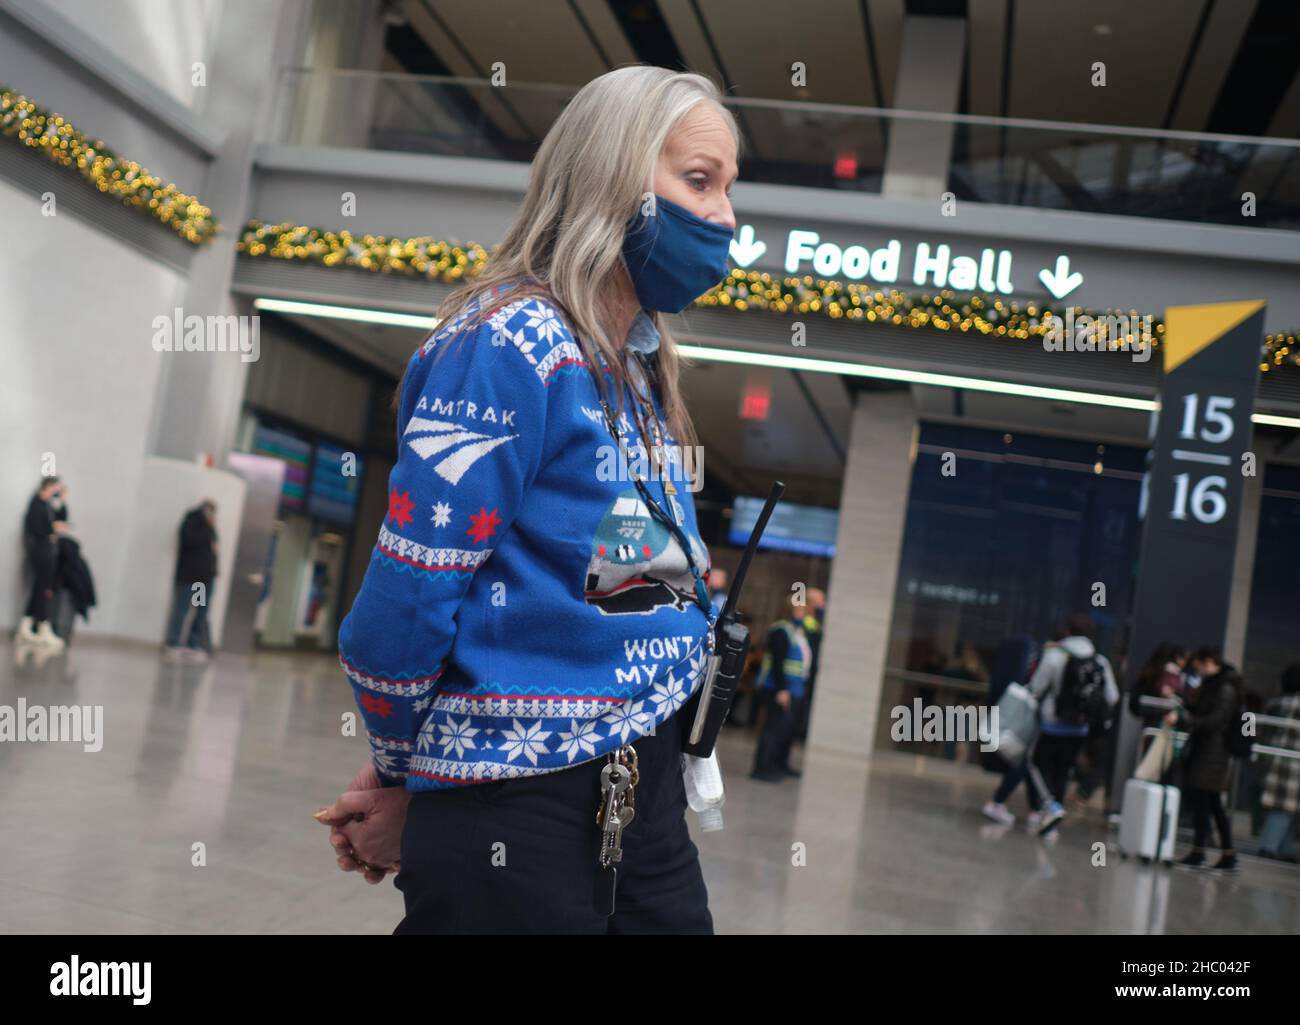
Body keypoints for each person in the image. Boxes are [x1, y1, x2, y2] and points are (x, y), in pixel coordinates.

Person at [314, 66, 738, 934]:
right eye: (700, 181)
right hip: (521, 810)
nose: (725, 217)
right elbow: (403, 605)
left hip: (641, 799)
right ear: (613, 177)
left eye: (728, 189)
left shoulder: (632, 365)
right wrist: (405, 776)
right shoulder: (508, 340)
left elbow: (621, 580)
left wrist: (689, 604)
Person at [1025, 614, 1119, 835]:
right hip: (1080, 727)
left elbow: (1036, 687)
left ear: (1068, 631)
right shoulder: (1100, 661)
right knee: (1063, 770)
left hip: (1052, 723)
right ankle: (1052, 819)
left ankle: (1051, 805)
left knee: (1036, 763)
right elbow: (1112, 697)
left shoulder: (1055, 655)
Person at [1171, 647, 1243, 871]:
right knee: (1210, 802)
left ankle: (1201, 852)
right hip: (1207, 750)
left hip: (1213, 753)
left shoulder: (1226, 686)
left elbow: (1215, 720)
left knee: (1207, 802)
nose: (1199, 672)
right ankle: (1224, 853)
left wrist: (1187, 720)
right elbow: (1207, 712)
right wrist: (1186, 703)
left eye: (1199, 667)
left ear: (1208, 662)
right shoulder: (1218, 684)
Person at [750, 594, 812, 782]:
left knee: (783, 731)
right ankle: (762, 768)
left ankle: (776, 765)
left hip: (794, 688)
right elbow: (777, 662)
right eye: (800, 609)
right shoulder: (780, 630)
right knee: (772, 730)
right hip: (778, 688)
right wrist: (782, 690)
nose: (804, 613)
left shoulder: (797, 631)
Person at [17, 477, 67, 650]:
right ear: (47, 487)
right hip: (40, 552)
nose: (55, 492)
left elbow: (61, 517)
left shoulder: (47, 505)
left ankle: (28, 624)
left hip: (47, 551)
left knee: (41, 587)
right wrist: (52, 530)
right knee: (43, 589)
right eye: (55, 489)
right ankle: (43, 627)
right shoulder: (36, 504)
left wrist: (62, 500)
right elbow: (36, 528)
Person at [164, 501, 218, 661]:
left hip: (202, 579)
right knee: (182, 608)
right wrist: (207, 529)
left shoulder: (210, 528)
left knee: (199, 610)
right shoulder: (193, 521)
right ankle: (173, 642)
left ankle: (192, 642)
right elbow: (189, 540)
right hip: (190, 577)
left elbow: (213, 550)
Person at [1258, 664, 1300, 862]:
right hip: (1294, 762)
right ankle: (1270, 846)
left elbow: (1258, 726)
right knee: (1285, 808)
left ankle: (1283, 846)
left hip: (1274, 757)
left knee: (1281, 807)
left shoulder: (1277, 703)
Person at [794, 587, 825, 740]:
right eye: (821, 602)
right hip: (801, 677)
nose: (823, 606)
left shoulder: (816, 624)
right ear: (812, 604)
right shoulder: (806, 625)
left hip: (808, 677)